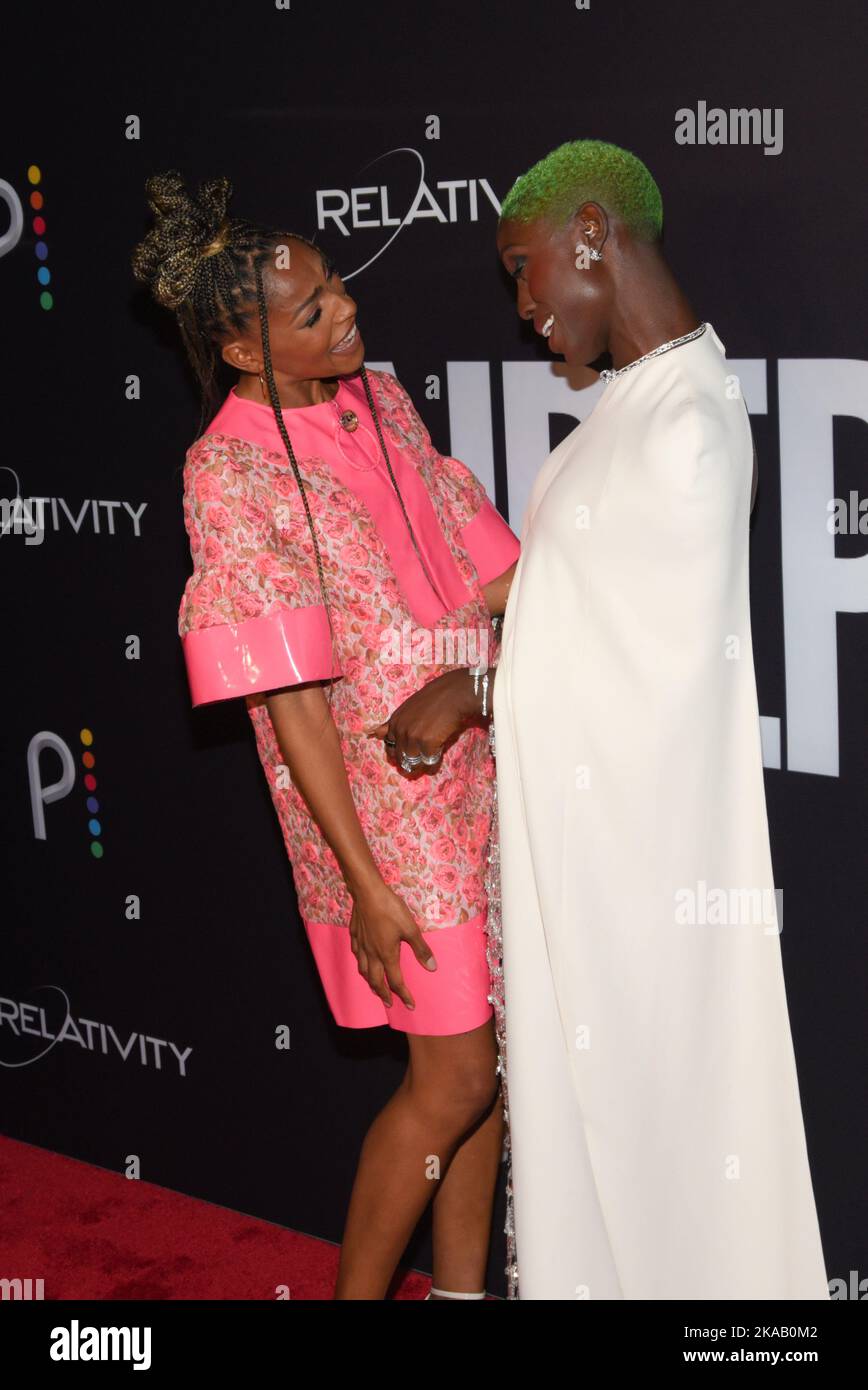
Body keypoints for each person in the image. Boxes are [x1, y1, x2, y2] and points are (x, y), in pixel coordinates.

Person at [130, 170, 520, 1300]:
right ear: (245, 352)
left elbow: (484, 567)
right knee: (451, 1076)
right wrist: (363, 880)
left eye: (336, 285)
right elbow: (288, 700)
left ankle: (458, 1297)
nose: (345, 308)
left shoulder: (383, 402)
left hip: (479, 769)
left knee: (480, 1072)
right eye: (310, 311)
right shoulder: (227, 470)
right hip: (377, 806)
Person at [485, 138, 830, 1299]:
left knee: (660, 1143)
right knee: (597, 1143)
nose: (523, 304)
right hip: (593, 880)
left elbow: (649, 684)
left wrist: (474, 685)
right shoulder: (635, 400)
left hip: (644, 893)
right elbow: (569, 604)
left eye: (526, 268)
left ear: (594, 232)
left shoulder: (686, 425)